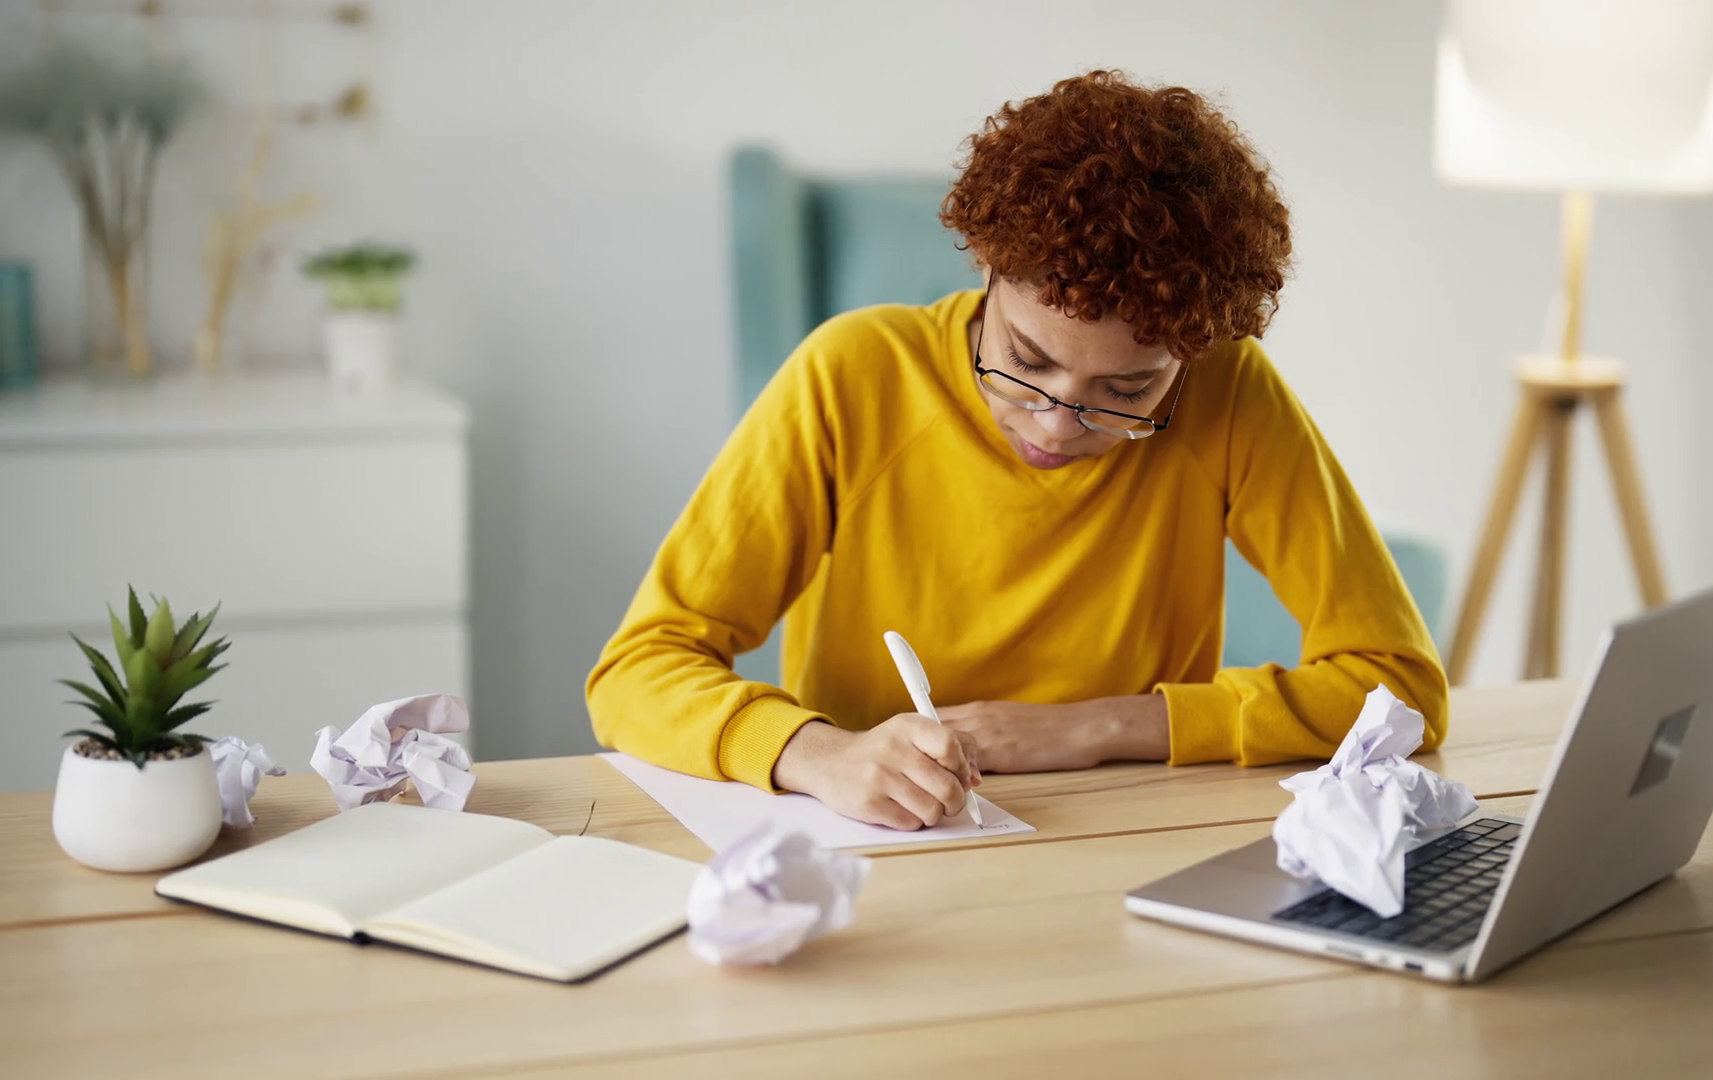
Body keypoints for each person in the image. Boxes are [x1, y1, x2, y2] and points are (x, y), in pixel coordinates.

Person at [587, 70, 1447, 831]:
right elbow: (637, 671)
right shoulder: (852, 374)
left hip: (1137, 839)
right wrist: (817, 755)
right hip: (877, 852)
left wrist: (1099, 727)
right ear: (986, 272)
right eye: (1025, 363)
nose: (1054, 427)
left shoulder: (1229, 393)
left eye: (1124, 393)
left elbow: (1400, 691)